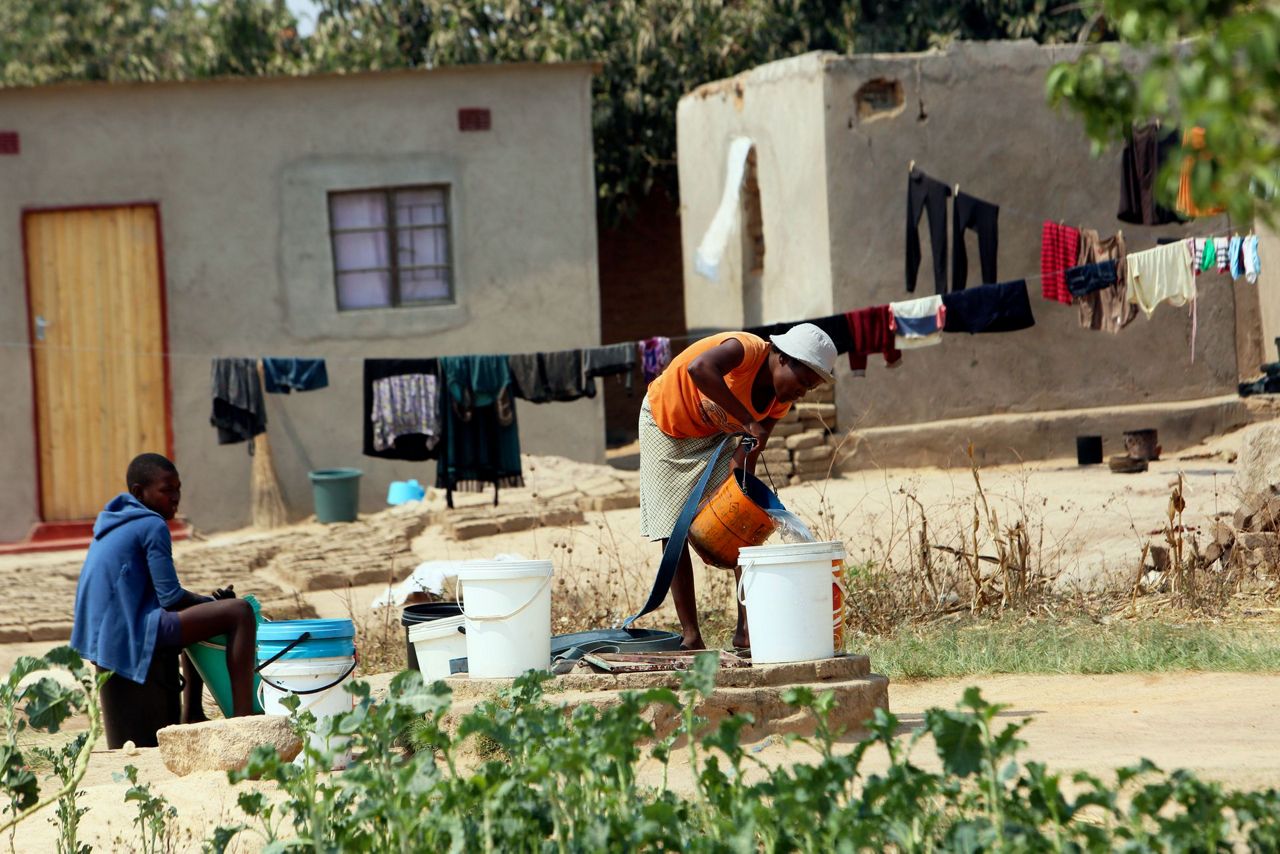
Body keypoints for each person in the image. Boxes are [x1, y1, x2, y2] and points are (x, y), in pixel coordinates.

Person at [639, 323, 836, 650]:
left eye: (809, 389)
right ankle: (691, 637)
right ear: (783, 359)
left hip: (714, 437)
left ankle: (746, 632)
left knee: (743, 528)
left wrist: (740, 495)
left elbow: (748, 451)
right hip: (667, 425)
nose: (801, 392)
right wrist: (748, 422)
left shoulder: (779, 401)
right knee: (672, 531)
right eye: (802, 382)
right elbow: (698, 368)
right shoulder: (744, 350)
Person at [71, 453, 258, 739]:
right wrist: (214, 604)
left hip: (107, 636)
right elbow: (171, 597)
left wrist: (205, 606)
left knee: (196, 621)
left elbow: (163, 599)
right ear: (139, 492)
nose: (175, 497)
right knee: (240, 612)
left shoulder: (114, 522)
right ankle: (245, 720)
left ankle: (192, 711)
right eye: (166, 490)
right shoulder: (152, 525)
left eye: (178, 488)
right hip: (132, 632)